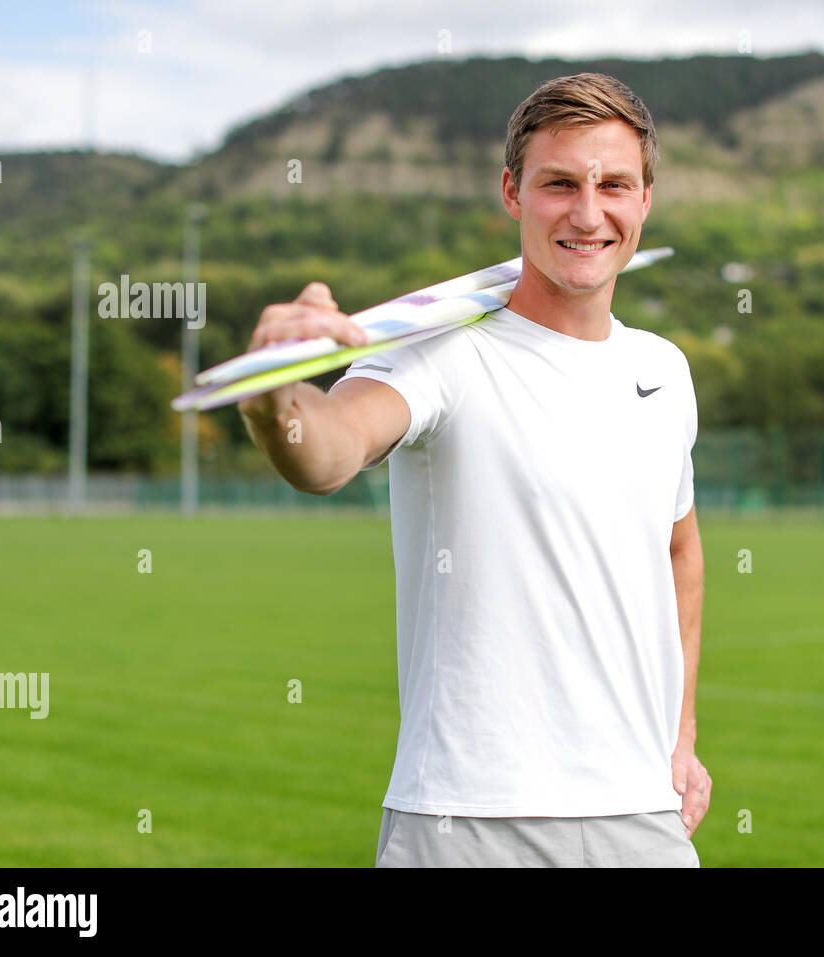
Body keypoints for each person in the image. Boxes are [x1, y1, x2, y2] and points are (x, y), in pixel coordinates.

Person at [238, 73, 710, 867]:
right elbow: (329, 450)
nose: (589, 213)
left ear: (645, 199)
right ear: (512, 192)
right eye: (559, 183)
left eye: (613, 185)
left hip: (642, 818)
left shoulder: (663, 369)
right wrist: (274, 395)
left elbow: (678, 550)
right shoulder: (441, 353)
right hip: (468, 821)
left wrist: (682, 732)